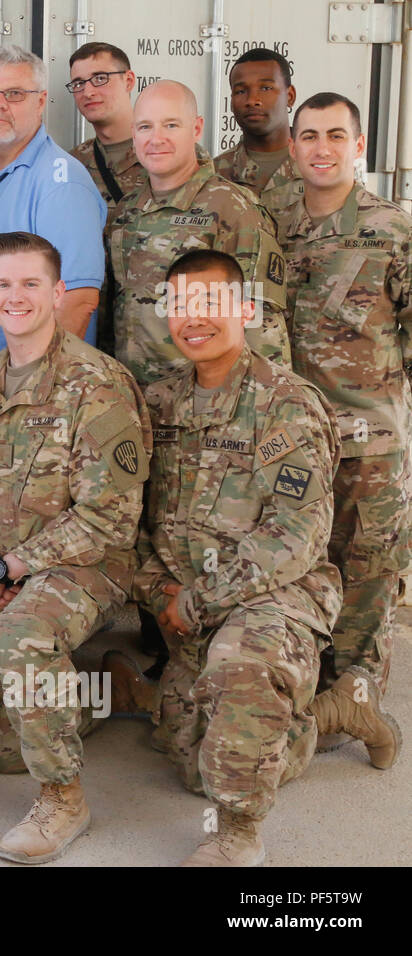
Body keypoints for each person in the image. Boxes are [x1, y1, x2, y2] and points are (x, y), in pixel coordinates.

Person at [135, 249, 350, 865]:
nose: (193, 318)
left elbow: (299, 532)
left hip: (271, 600)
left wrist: (198, 600)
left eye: (210, 303)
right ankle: (311, 719)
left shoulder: (285, 403)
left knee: (239, 675)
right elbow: (136, 520)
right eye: (181, 304)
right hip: (185, 606)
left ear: (247, 310)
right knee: (190, 763)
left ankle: (237, 833)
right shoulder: (160, 402)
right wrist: (158, 593)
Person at [0, 232, 149, 863]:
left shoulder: (98, 386)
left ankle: (63, 799)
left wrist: (14, 565)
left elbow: (108, 521)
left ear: (59, 292)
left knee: (19, 645)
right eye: (3, 284)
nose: (17, 296)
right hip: (5, 565)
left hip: (87, 564)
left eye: (32, 283)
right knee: (4, 742)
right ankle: (105, 688)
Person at [273, 92, 409, 766]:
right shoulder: (275, 227)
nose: (321, 148)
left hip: (372, 448)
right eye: (309, 136)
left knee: (369, 575)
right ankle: (312, 694)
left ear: (359, 145)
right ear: (292, 147)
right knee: (303, 568)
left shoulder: (391, 228)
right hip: (294, 445)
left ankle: (360, 699)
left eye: (335, 135)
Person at [108, 80, 291, 386]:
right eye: (144, 127)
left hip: (203, 401)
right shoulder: (127, 213)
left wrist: (268, 407)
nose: (156, 138)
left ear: (196, 129)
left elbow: (262, 321)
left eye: (170, 125)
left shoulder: (232, 208)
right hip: (136, 398)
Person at [0, 45, 107, 360]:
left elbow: (79, 301)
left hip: (34, 389)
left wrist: (35, 385)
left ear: (40, 101)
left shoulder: (61, 181)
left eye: (14, 94)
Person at [214, 48, 303, 206]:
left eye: (266, 88)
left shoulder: (317, 167)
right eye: (241, 91)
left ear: (290, 97)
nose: (252, 100)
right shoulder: (214, 176)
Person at [66, 42, 146, 209]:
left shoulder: (166, 153)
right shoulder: (71, 165)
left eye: (100, 78)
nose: (88, 92)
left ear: (129, 81)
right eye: (78, 83)